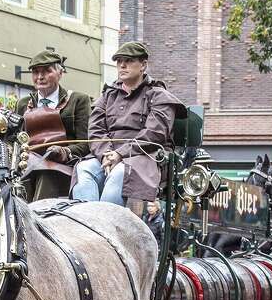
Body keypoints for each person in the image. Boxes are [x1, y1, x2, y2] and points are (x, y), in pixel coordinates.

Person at [72, 41, 187, 210]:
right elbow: (95, 130)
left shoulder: (159, 95)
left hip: (144, 158)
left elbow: (155, 134)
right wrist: (106, 155)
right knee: (84, 169)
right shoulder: (107, 96)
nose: (122, 65)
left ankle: (105, 228)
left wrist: (121, 154)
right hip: (108, 156)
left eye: (128, 60)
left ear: (143, 65)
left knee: (120, 173)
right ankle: (88, 225)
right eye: (119, 61)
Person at [13, 49, 92, 200]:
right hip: (28, 164)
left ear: (60, 73)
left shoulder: (78, 100)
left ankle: (39, 220)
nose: (40, 77)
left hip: (62, 166)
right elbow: (16, 140)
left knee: (45, 174)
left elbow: (85, 143)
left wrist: (64, 152)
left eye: (46, 71)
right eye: (35, 72)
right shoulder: (23, 104)